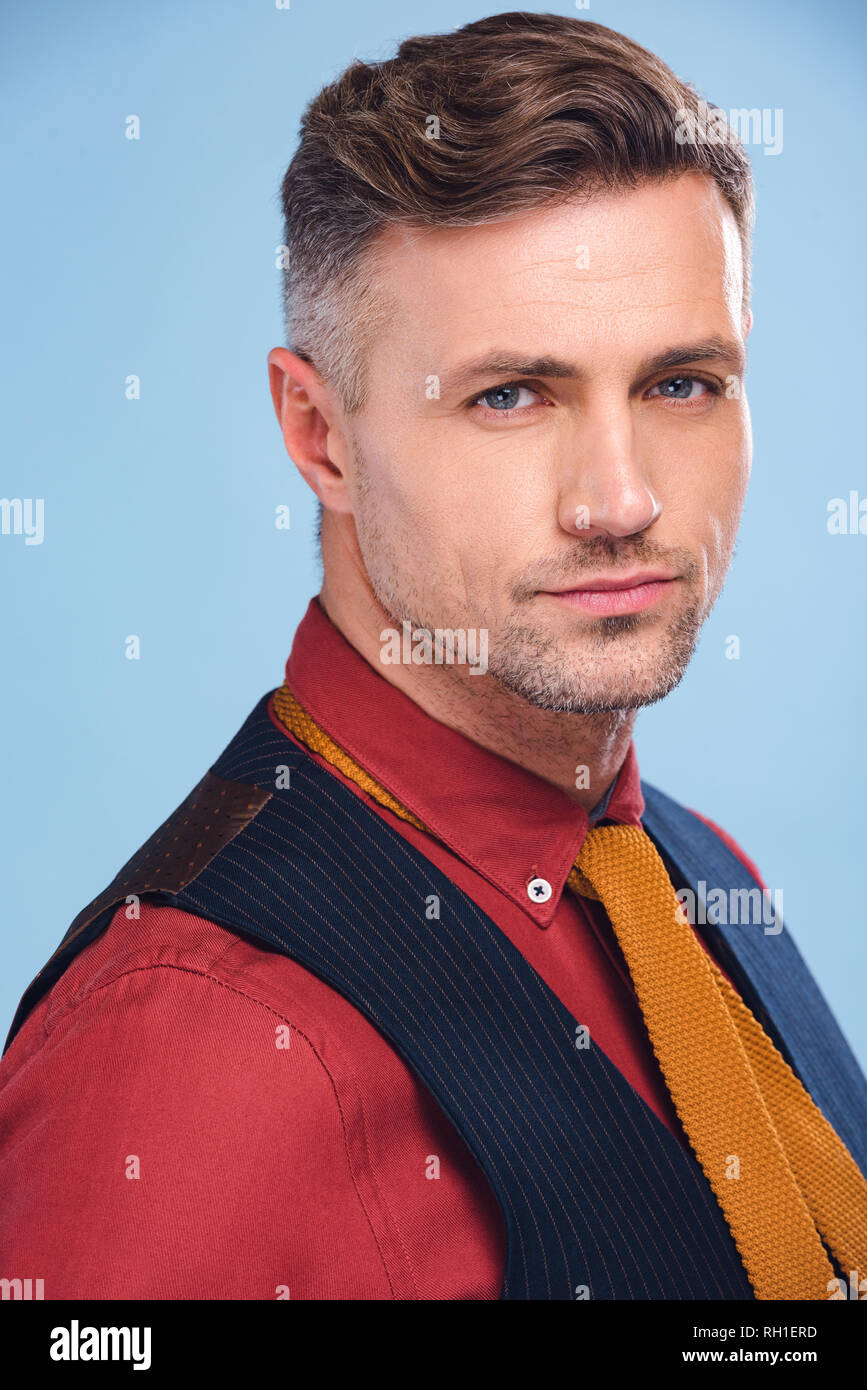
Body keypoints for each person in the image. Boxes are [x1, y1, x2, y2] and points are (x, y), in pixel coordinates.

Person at [1, 11, 865, 1302]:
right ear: (320, 432)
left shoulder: (698, 873)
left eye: (682, 382)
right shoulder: (191, 1044)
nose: (620, 500)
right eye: (509, 396)